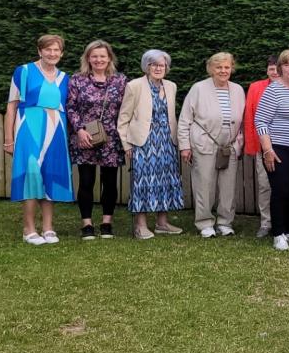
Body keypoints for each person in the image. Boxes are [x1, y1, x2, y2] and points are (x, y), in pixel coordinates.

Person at [5, 34, 73, 245]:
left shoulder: (65, 78)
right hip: (29, 128)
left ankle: (48, 228)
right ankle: (28, 229)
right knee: (31, 175)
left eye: (56, 50)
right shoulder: (24, 71)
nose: (52, 53)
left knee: (50, 175)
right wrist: (8, 139)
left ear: (61, 53)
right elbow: (11, 106)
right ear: (39, 51)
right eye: (48, 49)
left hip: (57, 131)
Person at [117, 49, 184, 240]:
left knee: (166, 181)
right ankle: (140, 226)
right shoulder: (134, 86)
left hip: (167, 141)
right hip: (143, 142)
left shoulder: (171, 86)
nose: (158, 68)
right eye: (153, 64)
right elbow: (123, 118)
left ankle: (162, 223)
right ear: (147, 67)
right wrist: (126, 145)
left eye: (162, 65)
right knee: (143, 182)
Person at [178, 52, 245, 238]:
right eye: (219, 67)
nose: (223, 71)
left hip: (230, 146)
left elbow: (243, 120)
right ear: (211, 69)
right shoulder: (198, 88)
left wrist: (240, 142)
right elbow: (185, 119)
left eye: (227, 67)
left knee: (228, 187)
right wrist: (185, 146)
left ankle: (225, 222)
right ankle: (205, 223)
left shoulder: (238, 89)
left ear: (231, 69)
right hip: (204, 144)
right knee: (204, 185)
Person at [65, 39, 127, 240]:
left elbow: (126, 109)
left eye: (102, 56)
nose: (99, 59)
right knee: (86, 181)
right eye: (94, 56)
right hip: (85, 137)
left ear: (109, 58)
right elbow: (71, 107)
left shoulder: (120, 81)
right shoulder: (77, 80)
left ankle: (107, 223)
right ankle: (87, 224)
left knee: (109, 182)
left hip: (111, 138)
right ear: (88, 58)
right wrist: (79, 130)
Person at [255, 49, 289, 251]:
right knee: (281, 190)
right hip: (278, 149)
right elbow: (260, 121)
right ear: (280, 68)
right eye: (286, 64)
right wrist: (267, 150)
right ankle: (278, 234)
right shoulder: (274, 90)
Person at [243, 56, 279, 238]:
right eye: (271, 69)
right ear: (267, 70)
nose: (275, 72)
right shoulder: (256, 87)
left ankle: (287, 220)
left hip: (287, 145)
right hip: (263, 146)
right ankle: (266, 222)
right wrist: (253, 145)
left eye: (278, 68)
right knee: (265, 185)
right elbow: (250, 117)